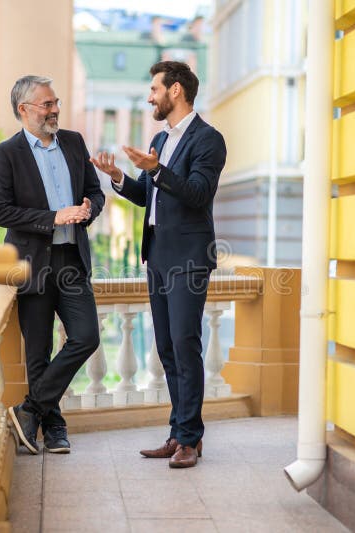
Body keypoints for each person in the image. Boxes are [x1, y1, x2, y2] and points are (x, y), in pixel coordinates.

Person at [90, 61, 226, 468]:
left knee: (185, 345)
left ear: (176, 90)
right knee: (166, 348)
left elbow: (198, 193)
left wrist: (157, 170)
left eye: (154, 89)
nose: (150, 97)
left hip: (189, 258)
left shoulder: (208, 139)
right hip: (158, 256)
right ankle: (178, 433)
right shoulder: (160, 139)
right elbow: (149, 197)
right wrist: (118, 177)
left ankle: (190, 439)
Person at [0, 75, 105, 455]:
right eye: (47, 104)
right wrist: (53, 218)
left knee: (86, 336)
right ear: (24, 109)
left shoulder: (73, 142)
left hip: (72, 259)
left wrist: (88, 209)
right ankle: (53, 428)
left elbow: (95, 192)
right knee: (37, 351)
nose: (55, 110)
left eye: (56, 103)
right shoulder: (5, 154)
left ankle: (30, 410)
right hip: (31, 263)